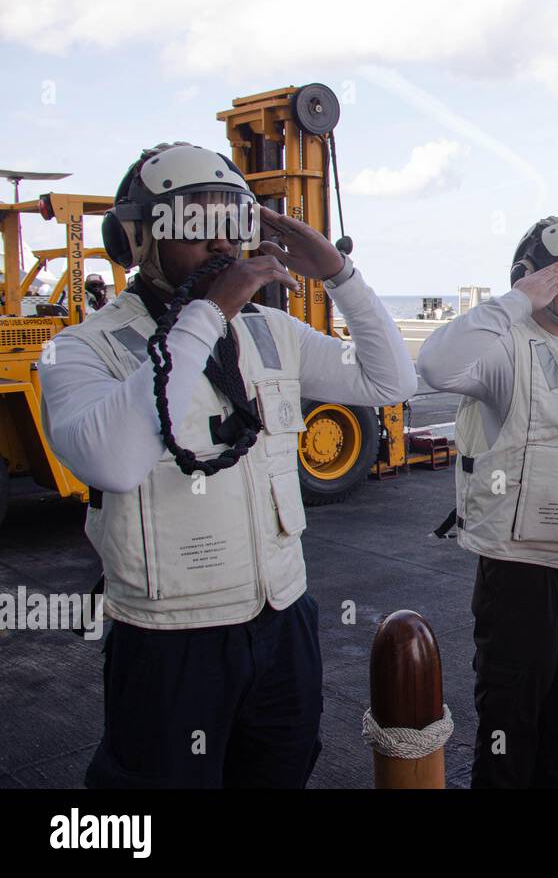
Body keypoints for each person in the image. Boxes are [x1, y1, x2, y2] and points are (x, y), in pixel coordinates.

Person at [38, 142, 416, 787]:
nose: (221, 246)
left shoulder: (272, 331)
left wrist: (339, 275)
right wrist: (207, 315)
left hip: (282, 616)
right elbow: (117, 462)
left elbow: (391, 380)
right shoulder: (81, 350)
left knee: (282, 769)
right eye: (195, 225)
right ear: (138, 240)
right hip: (169, 637)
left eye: (232, 225)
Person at [419, 215, 558, 788]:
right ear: (531, 278)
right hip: (520, 577)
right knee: (508, 730)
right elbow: (433, 365)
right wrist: (515, 300)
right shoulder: (501, 352)